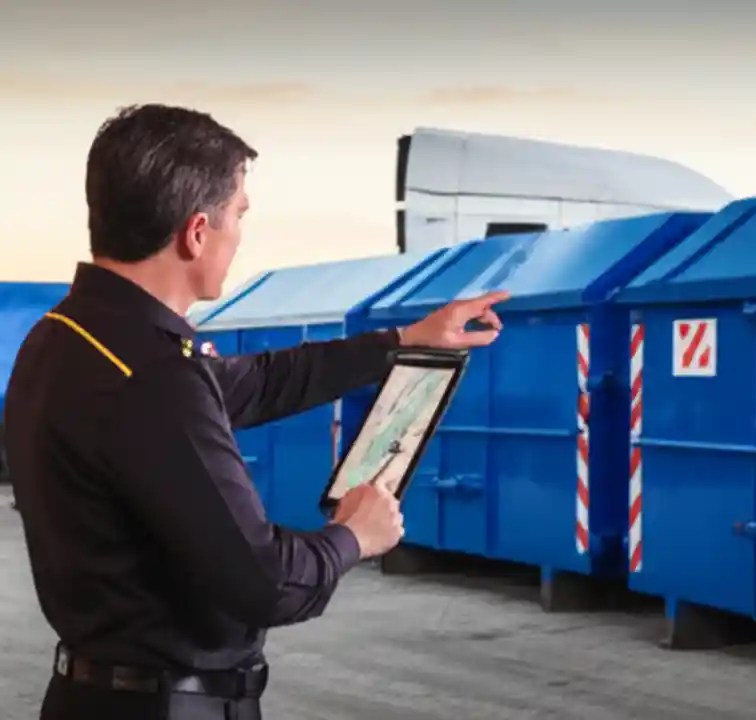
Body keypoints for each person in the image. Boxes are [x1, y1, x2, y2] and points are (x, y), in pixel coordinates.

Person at [2, 103, 510, 720]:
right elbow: (265, 582)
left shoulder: (66, 340)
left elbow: (259, 382)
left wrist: (406, 341)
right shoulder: (153, 377)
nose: (240, 233)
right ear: (196, 232)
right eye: (238, 214)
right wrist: (354, 536)